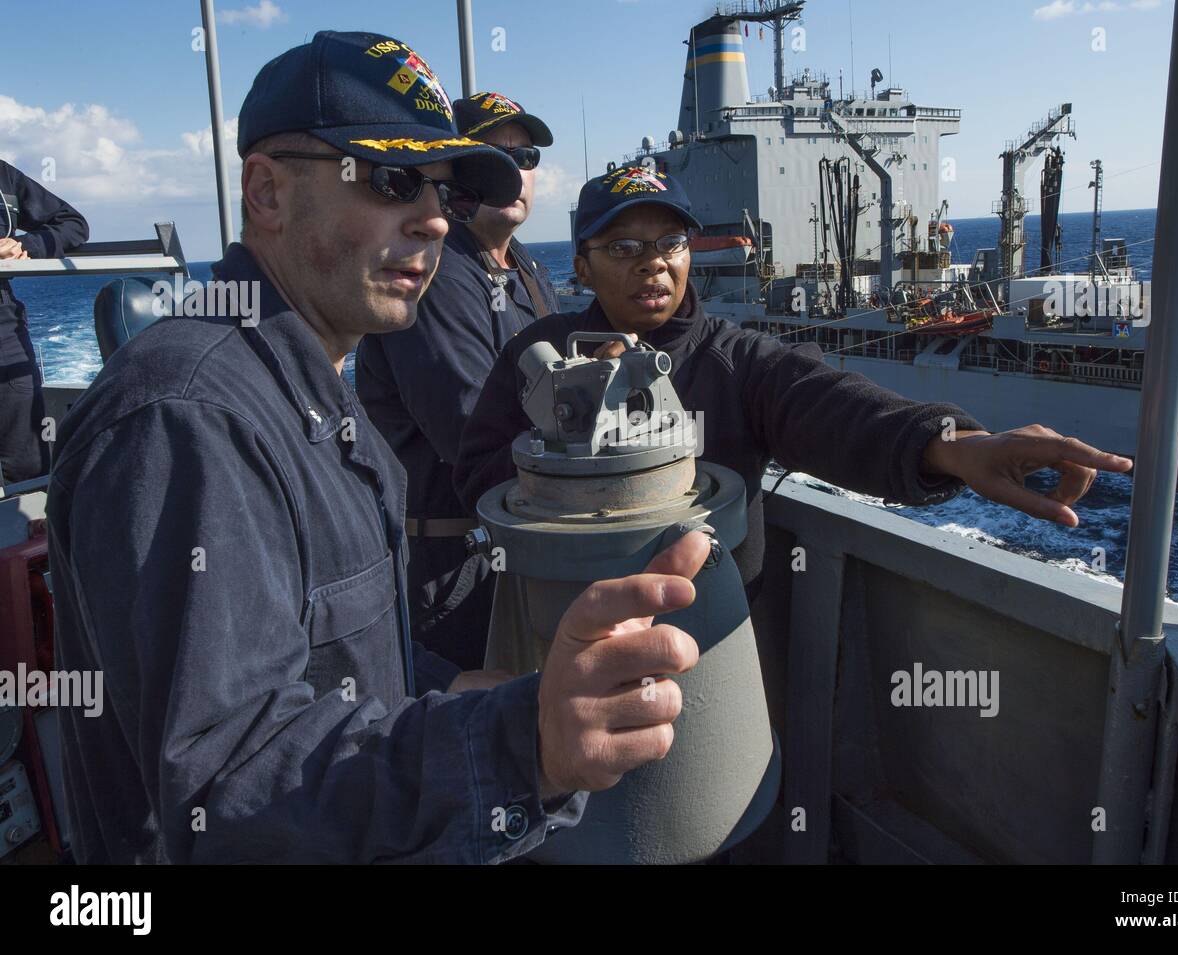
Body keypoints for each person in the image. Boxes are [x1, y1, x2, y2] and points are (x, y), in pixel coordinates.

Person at [49, 33, 708, 864]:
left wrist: (445, 687)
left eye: (445, 192)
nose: (435, 218)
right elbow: (229, 795)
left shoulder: (310, 390)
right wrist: (519, 743)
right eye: (392, 179)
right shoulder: (189, 424)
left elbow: (325, 660)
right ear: (266, 191)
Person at [455, 165, 1133, 616]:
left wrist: (955, 445)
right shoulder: (534, 355)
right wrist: (567, 453)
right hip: (570, 621)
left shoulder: (735, 361)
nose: (655, 263)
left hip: (710, 625)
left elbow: (829, 406)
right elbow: (481, 476)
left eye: (670, 242)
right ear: (581, 265)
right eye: (624, 248)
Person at [356, 90, 556, 670]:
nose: (515, 170)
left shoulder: (528, 270)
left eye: (526, 158)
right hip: (452, 568)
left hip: (516, 544)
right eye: (495, 152)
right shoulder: (438, 273)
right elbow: (471, 431)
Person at [0, 161, 88, 482]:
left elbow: (73, 224)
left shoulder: (4, 177)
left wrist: (25, 246)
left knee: (28, 465)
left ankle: (31, 528)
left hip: (4, 336)